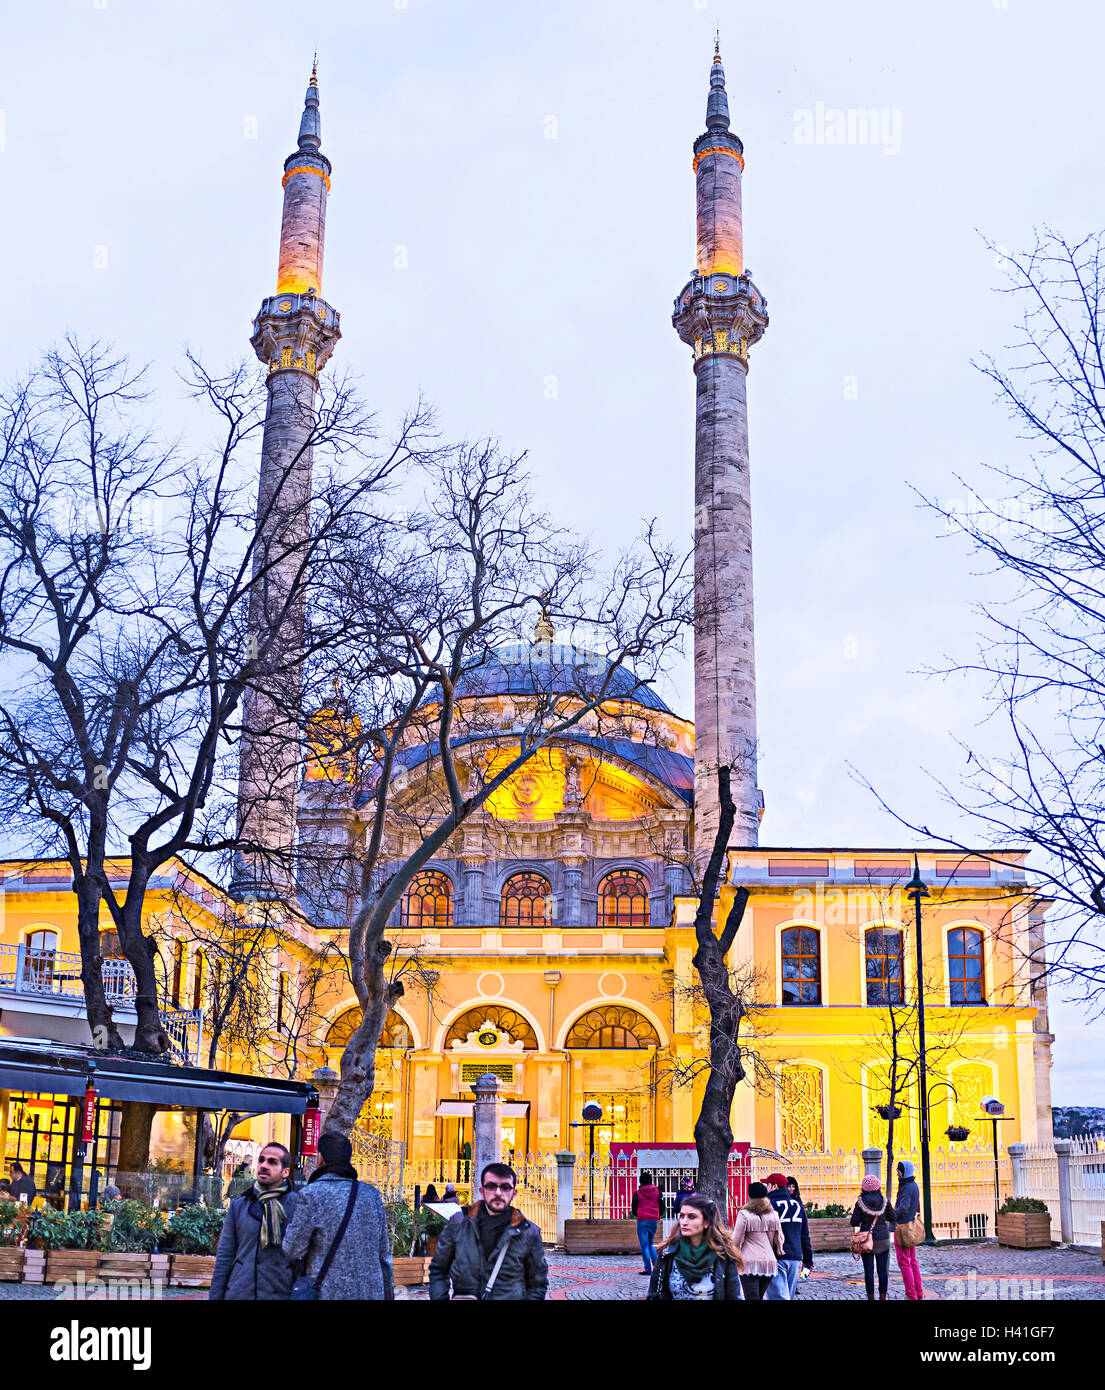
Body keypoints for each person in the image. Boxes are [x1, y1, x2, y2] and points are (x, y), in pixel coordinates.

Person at [282, 1133, 393, 1300]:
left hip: (328, 1292)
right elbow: (384, 1256)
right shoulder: (372, 1195)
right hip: (371, 1292)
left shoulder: (311, 1194)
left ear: (321, 1158)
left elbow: (292, 1249)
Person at [429, 1162, 548, 1301]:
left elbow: (537, 1283)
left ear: (514, 1193)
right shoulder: (459, 1225)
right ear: (482, 1191)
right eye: (491, 1186)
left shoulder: (528, 1232)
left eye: (505, 1187)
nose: (498, 1192)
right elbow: (439, 1270)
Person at [210, 1141, 301, 1301]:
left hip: (279, 1293)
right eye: (262, 1160)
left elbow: (301, 1258)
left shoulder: (296, 1206)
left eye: (272, 1162)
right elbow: (225, 1256)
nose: (264, 1165)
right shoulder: (239, 1206)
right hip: (240, 1292)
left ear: (285, 1172)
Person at [647, 1194, 744, 1300]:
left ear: (706, 1222)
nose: (684, 1222)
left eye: (692, 1217)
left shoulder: (723, 1256)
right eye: (682, 1216)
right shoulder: (668, 1253)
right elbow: (654, 1294)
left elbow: (734, 1296)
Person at [730, 1181, 784, 1300]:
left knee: (751, 1297)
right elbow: (775, 1239)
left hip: (749, 1262)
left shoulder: (744, 1214)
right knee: (758, 1296)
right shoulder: (773, 1214)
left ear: (749, 1195)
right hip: (769, 1262)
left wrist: (734, 1256)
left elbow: (736, 1240)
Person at [764, 1171, 813, 1300]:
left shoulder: (769, 1205)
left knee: (778, 1296)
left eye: (768, 1185)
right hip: (795, 1258)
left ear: (774, 1186)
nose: (766, 1188)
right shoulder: (797, 1205)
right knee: (788, 1296)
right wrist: (808, 1260)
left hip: (776, 1256)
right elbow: (805, 1235)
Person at [850, 1174, 896, 1301]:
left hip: (866, 1241)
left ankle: (871, 1297)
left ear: (863, 1187)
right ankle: (882, 1297)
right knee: (883, 1271)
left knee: (868, 1271)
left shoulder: (860, 1202)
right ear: (878, 1186)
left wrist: (864, 1221)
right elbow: (893, 1217)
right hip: (883, 1239)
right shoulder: (884, 1201)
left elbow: (854, 1222)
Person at [892, 1159, 924, 1301]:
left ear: (905, 1172)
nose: (897, 1173)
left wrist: (892, 1213)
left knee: (904, 1262)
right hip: (911, 1226)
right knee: (913, 1261)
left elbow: (903, 1208)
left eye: (899, 1171)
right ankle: (919, 1292)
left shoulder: (906, 1187)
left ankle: (911, 1294)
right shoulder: (914, 1185)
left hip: (903, 1228)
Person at [631, 1169, 662, 1277]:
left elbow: (633, 1207)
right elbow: (662, 1205)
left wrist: (638, 1214)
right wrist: (658, 1215)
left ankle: (648, 1269)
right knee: (651, 1243)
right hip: (653, 1220)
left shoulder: (638, 1193)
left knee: (644, 1245)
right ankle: (657, 1267)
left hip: (642, 1220)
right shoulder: (657, 1191)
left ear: (641, 1181)